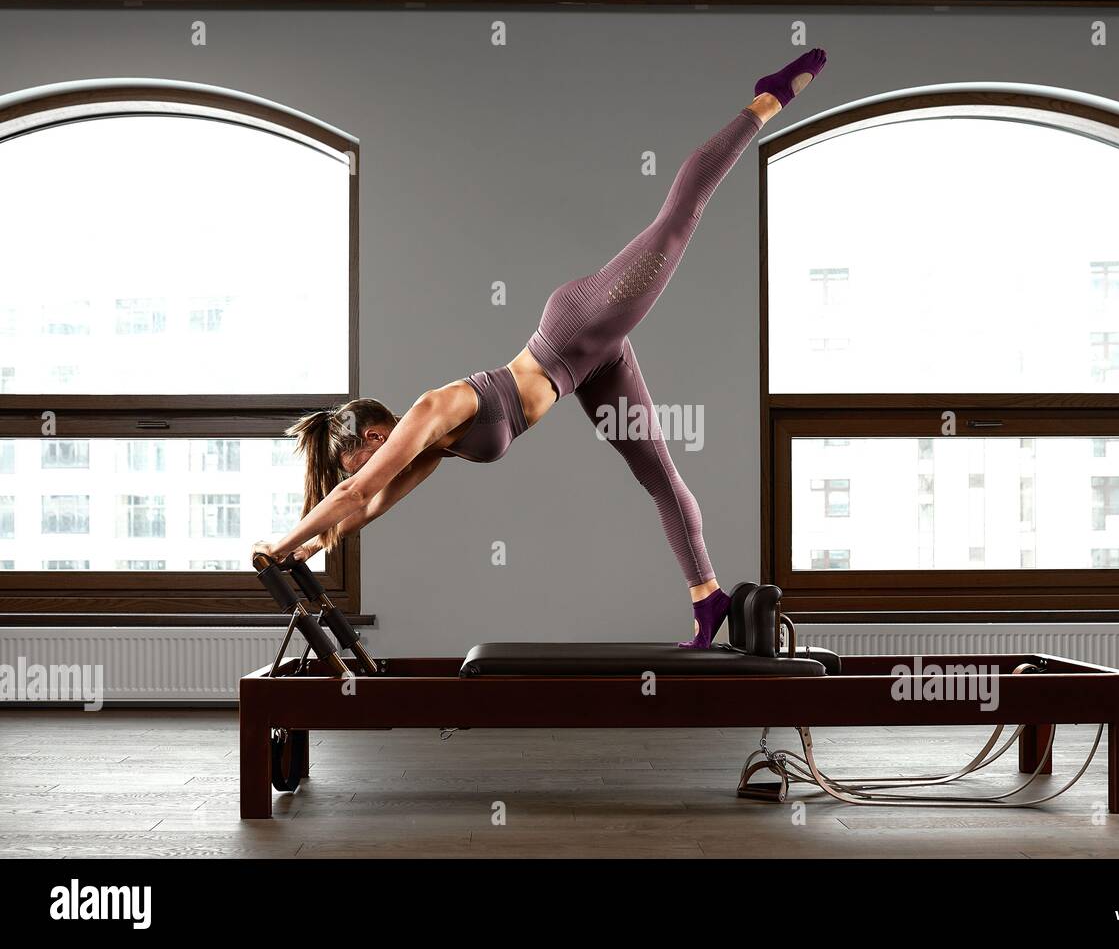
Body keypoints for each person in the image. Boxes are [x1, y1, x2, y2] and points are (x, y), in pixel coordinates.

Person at [253, 49, 829, 648]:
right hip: (591, 366)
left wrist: (281, 542)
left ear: (373, 438)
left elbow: (356, 491)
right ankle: (707, 598)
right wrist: (313, 544)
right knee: (657, 475)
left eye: (362, 460)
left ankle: (766, 101)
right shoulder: (431, 448)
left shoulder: (433, 409)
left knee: (677, 220)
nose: (369, 471)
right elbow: (369, 506)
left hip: (577, 326)